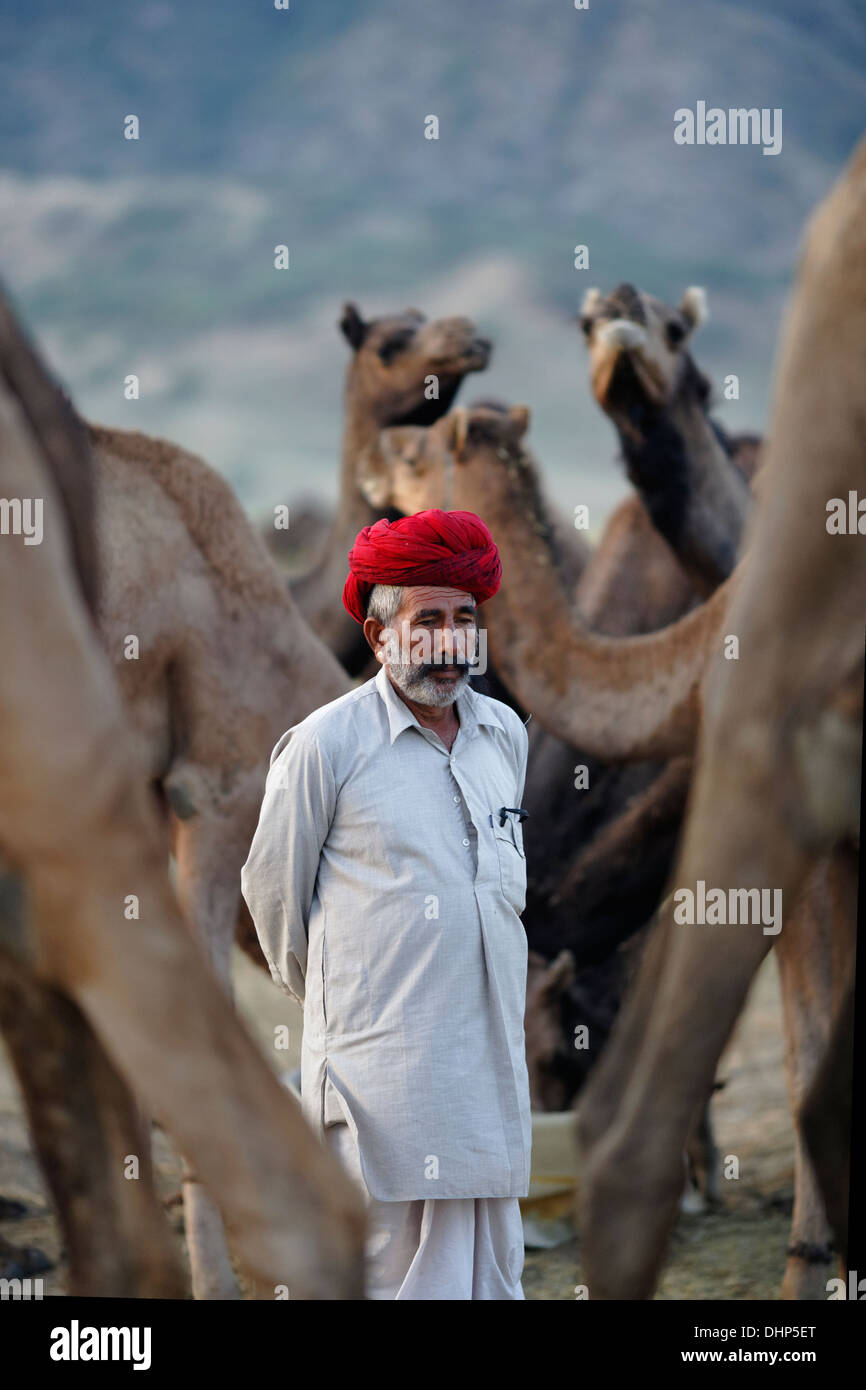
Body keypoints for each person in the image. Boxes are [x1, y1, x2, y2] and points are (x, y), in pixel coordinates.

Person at [241, 508, 531, 1299]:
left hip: (492, 1084)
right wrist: (345, 1008)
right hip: (382, 1088)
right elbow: (273, 898)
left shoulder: (504, 735)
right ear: (377, 638)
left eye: (464, 618)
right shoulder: (324, 746)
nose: (448, 640)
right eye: (426, 619)